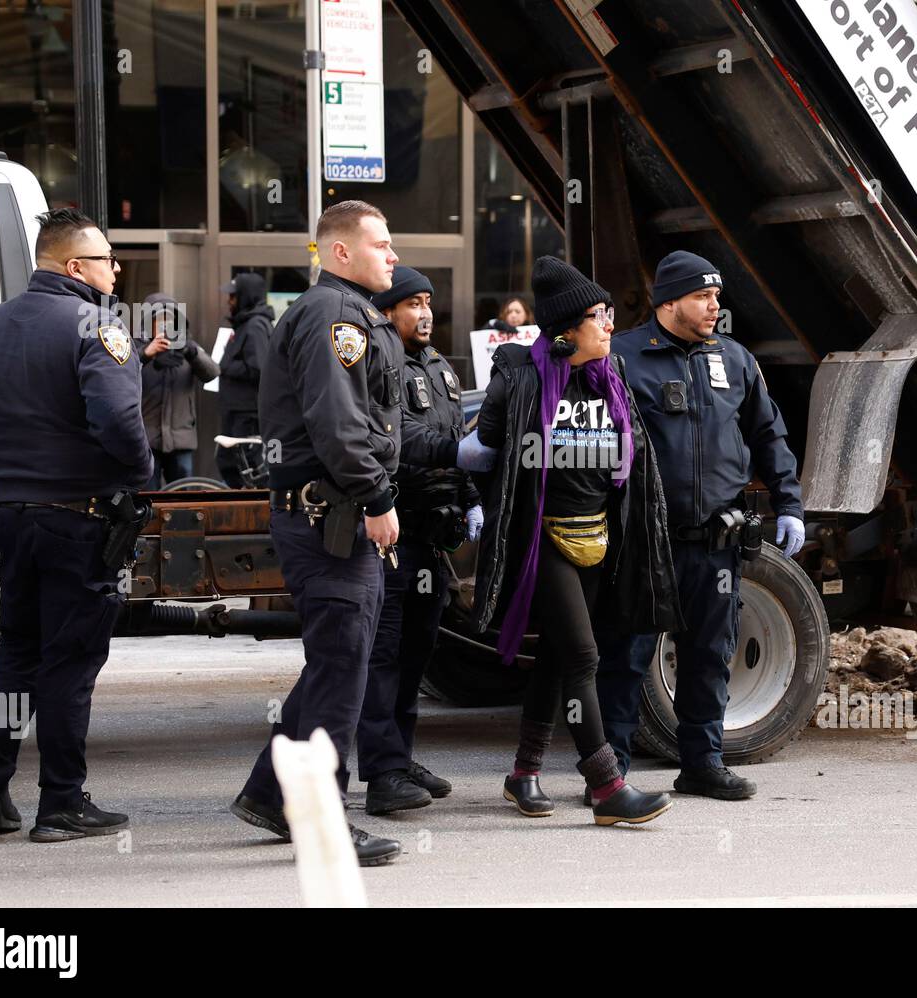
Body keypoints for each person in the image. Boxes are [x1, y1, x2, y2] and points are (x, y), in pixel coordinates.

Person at [0, 208, 152, 841]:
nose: (115, 271)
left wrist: (22, 447)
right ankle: (61, 802)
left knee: (19, 654)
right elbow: (118, 424)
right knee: (71, 660)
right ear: (74, 267)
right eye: (106, 260)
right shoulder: (98, 324)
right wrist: (140, 468)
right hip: (80, 517)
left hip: (14, 516)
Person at [472, 255, 679, 826]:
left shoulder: (608, 379)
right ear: (567, 328)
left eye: (611, 313)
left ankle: (523, 774)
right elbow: (486, 453)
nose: (611, 324)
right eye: (598, 315)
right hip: (541, 541)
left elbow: (632, 463)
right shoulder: (522, 376)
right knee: (585, 656)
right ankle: (608, 787)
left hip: (597, 536)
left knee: (561, 660)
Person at [231, 199, 404, 867]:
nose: (393, 256)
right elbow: (339, 427)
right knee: (341, 670)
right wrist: (377, 494)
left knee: (335, 663)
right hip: (326, 517)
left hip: (328, 515)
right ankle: (323, 819)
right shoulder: (337, 316)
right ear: (340, 253)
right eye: (381, 244)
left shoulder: (350, 314)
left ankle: (272, 794)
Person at [595, 251, 805, 801]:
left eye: (717, 297)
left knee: (711, 654)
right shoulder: (622, 357)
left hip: (716, 543)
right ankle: (610, 772)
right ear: (669, 302)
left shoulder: (735, 360)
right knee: (627, 658)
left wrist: (790, 504)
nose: (715, 307)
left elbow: (769, 437)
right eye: (702, 297)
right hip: (645, 541)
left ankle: (702, 763)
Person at [354, 266, 480, 815]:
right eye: (412, 303)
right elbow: (396, 436)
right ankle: (382, 774)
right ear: (388, 311)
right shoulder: (379, 364)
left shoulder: (440, 368)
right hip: (391, 527)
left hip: (432, 533)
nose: (425, 312)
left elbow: (459, 437)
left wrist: (471, 494)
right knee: (382, 655)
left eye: (428, 301)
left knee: (416, 655)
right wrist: (457, 455)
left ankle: (400, 757)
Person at [138, 292, 219, 489]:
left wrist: (192, 353)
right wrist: (146, 355)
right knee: (148, 496)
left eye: (170, 320)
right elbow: (120, 374)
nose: (165, 325)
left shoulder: (188, 345)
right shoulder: (135, 346)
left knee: (183, 496)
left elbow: (212, 373)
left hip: (181, 436)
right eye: (159, 320)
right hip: (147, 438)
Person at [216, 273, 272, 487]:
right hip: (238, 412)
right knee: (230, 464)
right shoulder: (246, 325)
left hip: (247, 414)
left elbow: (259, 367)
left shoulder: (255, 326)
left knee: (243, 467)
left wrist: (224, 366)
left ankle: (251, 511)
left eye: (233, 296)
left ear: (245, 296)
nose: (229, 301)